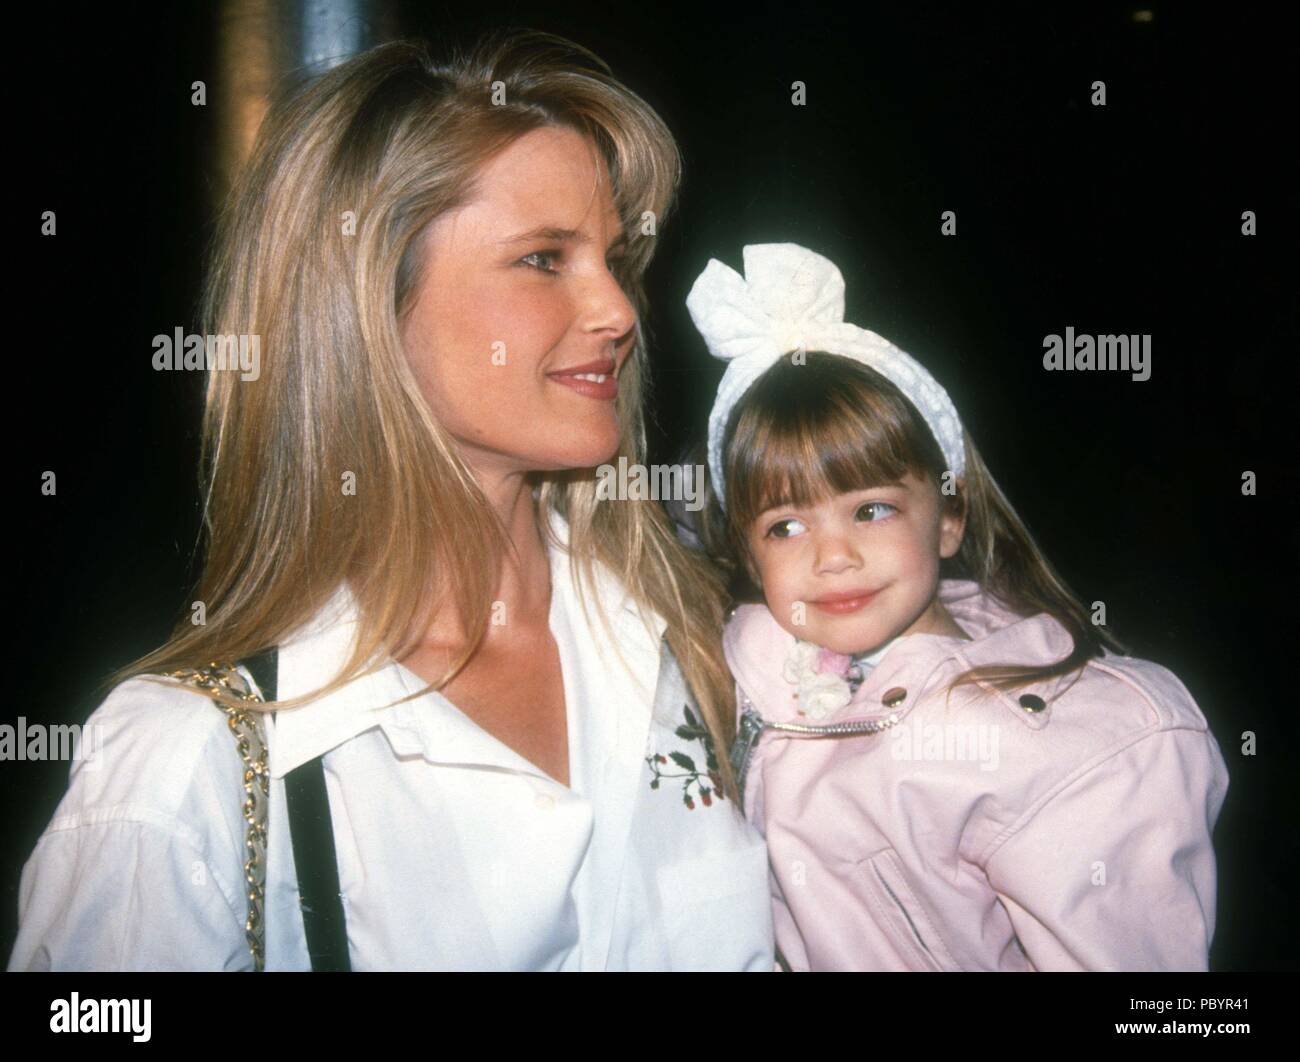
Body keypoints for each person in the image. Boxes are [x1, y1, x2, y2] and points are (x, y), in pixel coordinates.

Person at [8, 32, 773, 972]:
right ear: (368, 306)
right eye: (543, 259)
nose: (617, 308)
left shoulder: (707, 640)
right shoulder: (187, 764)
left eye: (614, 259)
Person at [685, 242, 1229, 971]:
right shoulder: (753, 678)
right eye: (786, 526)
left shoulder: (1061, 747)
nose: (833, 555)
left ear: (948, 516)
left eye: (871, 510)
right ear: (748, 557)